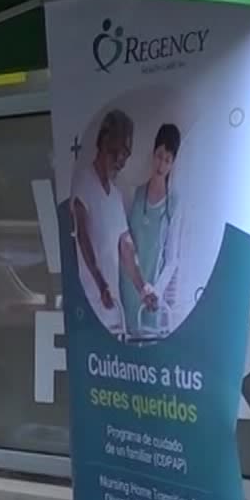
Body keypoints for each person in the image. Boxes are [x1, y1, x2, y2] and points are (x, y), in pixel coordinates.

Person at [70, 108, 135, 339]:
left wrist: (143, 286)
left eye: (126, 155)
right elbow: (82, 237)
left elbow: (125, 246)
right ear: (105, 143)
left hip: (114, 311)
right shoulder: (83, 183)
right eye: (118, 152)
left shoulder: (116, 197)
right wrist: (101, 284)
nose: (121, 161)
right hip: (93, 307)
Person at [119, 124, 184, 341]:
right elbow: (124, 241)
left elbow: (172, 258)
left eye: (167, 160)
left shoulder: (174, 204)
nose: (161, 164)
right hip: (129, 287)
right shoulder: (136, 195)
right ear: (153, 154)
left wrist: (155, 291)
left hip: (153, 293)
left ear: (173, 163)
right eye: (159, 156)